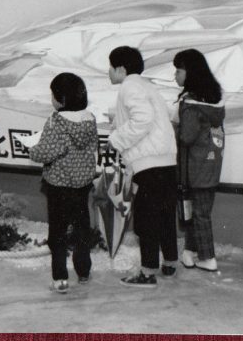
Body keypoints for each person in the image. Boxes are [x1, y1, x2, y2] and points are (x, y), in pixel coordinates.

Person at [107, 45, 178, 287]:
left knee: (147, 220)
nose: (109, 72)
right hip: (167, 160)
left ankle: (147, 273)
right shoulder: (147, 85)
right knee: (166, 215)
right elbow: (157, 115)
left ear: (120, 69)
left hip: (148, 164)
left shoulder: (129, 86)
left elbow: (142, 119)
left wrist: (115, 140)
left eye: (110, 67)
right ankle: (170, 263)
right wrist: (117, 119)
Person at [28, 72, 98, 294]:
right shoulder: (90, 119)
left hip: (59, 186)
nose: (51, 98)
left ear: (62, 99)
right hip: (82, 186)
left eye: (53, 94)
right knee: (81, 229)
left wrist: (31, 148)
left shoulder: (57, 121)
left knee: (57, 233)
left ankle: (60, 278)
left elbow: (46, 152)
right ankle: (84, 271)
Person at [172, 49, 225, 273]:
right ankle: (190, 252)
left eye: (178, 70)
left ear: (190, 72)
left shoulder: (191, 104)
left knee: (199, 214)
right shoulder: (214, 100)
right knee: (195, 211)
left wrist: (173, 127)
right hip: (210, 167)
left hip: (194, 168)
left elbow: (187, 136)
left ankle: (207, 257)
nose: (175, 75)